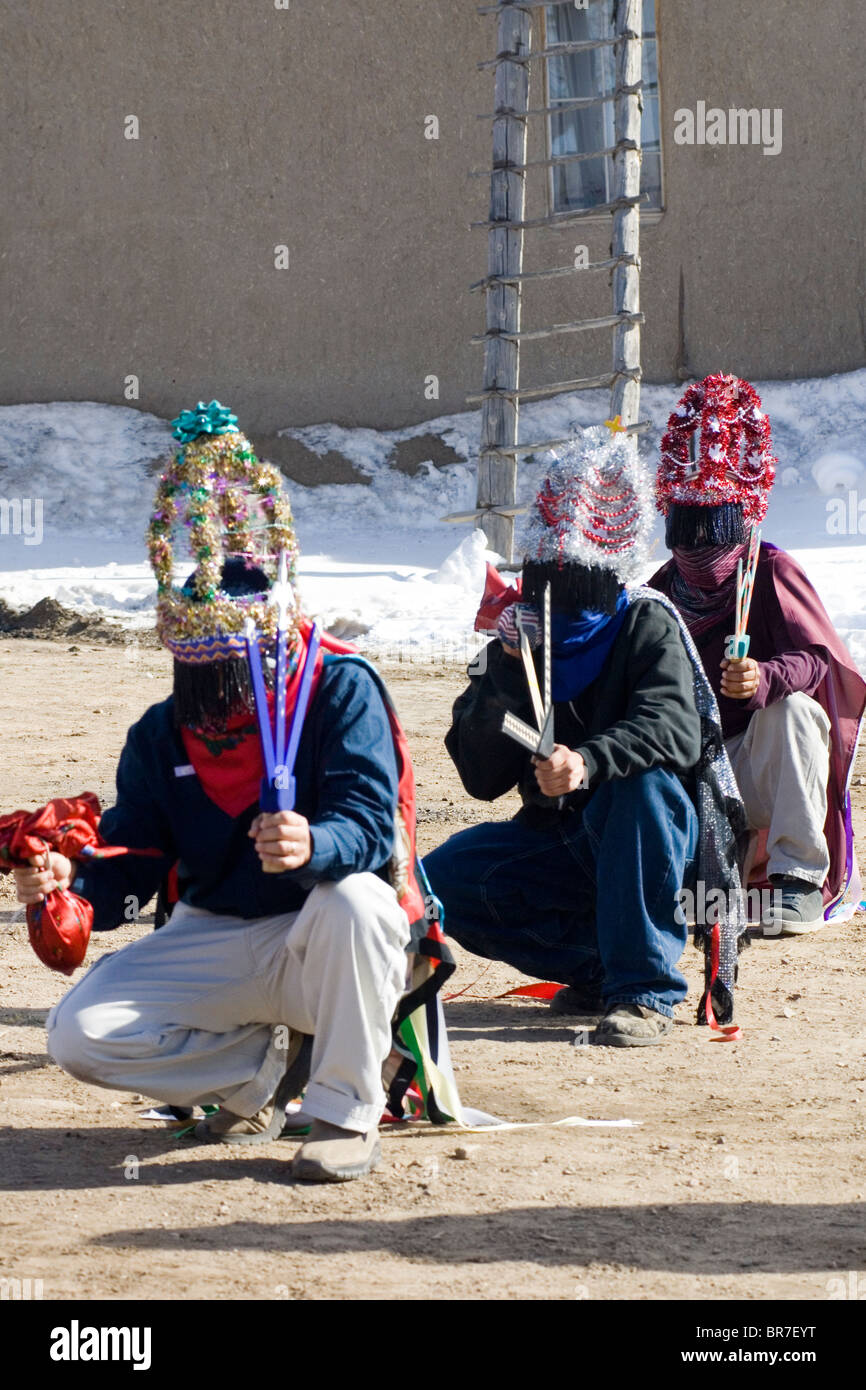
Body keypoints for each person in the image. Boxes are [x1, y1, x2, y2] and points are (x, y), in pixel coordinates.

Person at [12, 401, 424, 1182]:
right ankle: (257, 1074)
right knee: (78, 1034)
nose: (210, 695)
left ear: (267, 647)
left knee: (359, 900)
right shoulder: (161, 732)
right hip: (216, 932)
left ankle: (343, 1110)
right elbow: (136, 852)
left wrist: (317, 843)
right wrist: (75, 881)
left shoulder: (340, 690)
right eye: (193, 674)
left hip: (323, 937)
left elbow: (375, 827)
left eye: (226, 673)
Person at [425, 428, 747, 1045]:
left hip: (654, 845)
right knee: (438, 881)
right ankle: (598, 968)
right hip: (561, 839)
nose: (560, 602)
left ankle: (644, 989)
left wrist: (588, 761)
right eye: (546, 583)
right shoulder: (522, 643)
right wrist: (504, 682)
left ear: (607, 578)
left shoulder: (646, 621)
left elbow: (672, 728)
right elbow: (479, 777)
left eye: (576, 585)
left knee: (640, 789)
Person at [650, 374, 866, 935]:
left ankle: (796, 881)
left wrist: (764, 676)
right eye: (685, 527)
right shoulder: (660, 591)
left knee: (793, 713)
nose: (699, 544)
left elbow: (819, 659)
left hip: (752, 763)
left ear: (740, 520)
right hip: (693, 775)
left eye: (713, 527)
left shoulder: (769, 571)